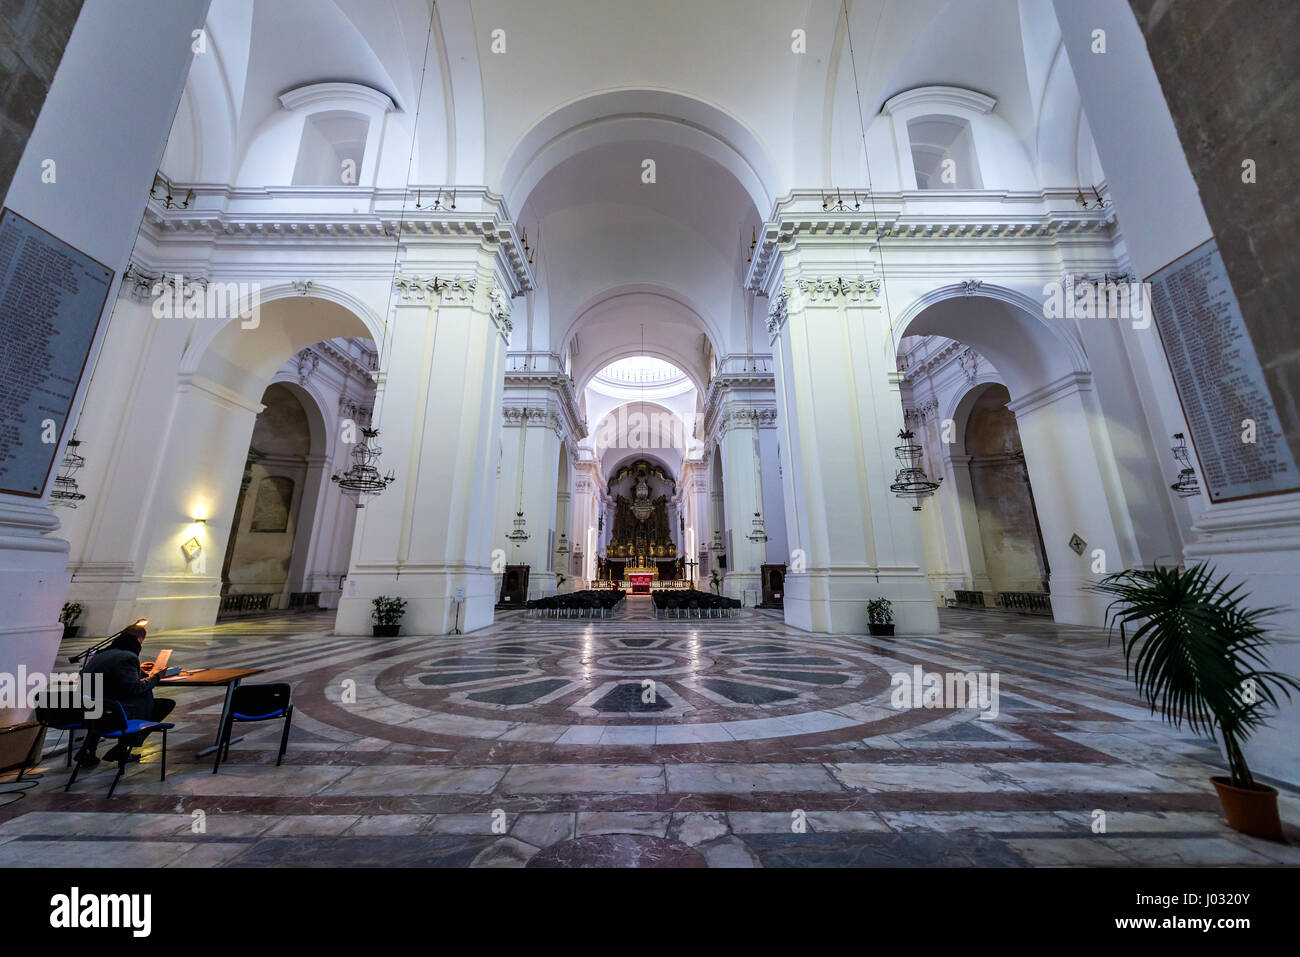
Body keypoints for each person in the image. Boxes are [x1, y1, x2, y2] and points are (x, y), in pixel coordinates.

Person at [74, 625, 175, 767]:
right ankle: (123, 749)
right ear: (139, 640)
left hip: (92, 708)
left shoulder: (101, 654)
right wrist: (156, 677)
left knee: (112, 704)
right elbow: (134, 688)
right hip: (113, 711)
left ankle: (89, 748)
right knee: (160, 704)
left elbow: (114, 677)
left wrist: (138, 670)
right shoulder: (128, 656)